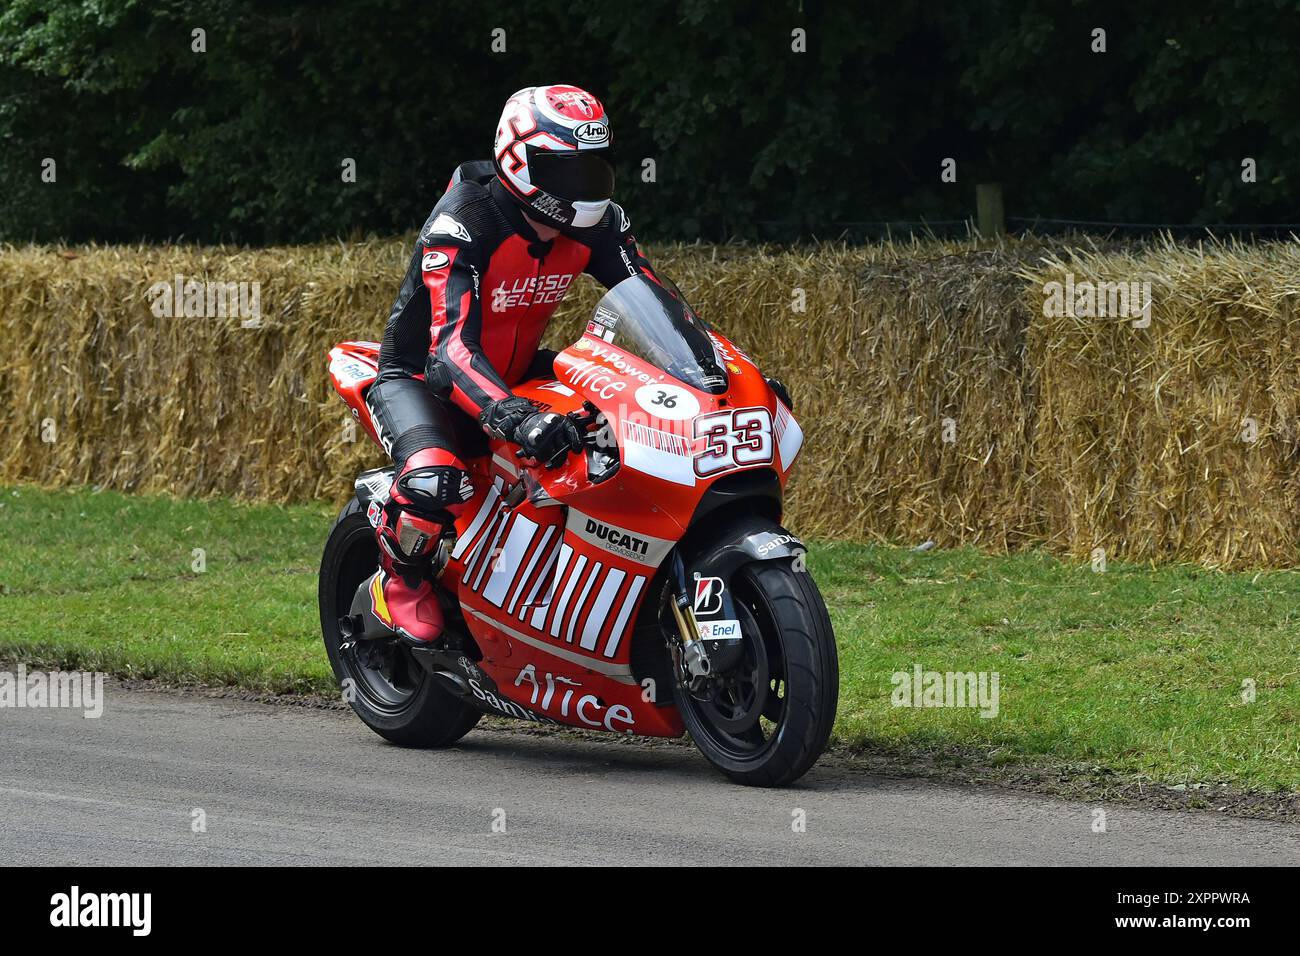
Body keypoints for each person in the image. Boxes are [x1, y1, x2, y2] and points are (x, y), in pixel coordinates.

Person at [363, 84, 658, 643]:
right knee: (433, 479)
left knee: (615, 439)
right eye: (567, 171)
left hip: (519, 373)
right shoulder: (463, 222)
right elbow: (449, 351)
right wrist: (515, 416)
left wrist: (716, 372)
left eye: (593, 169)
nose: (584, 187)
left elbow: (656, 301)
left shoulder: (601, 224)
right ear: (520, 161)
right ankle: (395, 583)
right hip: (423, 379)